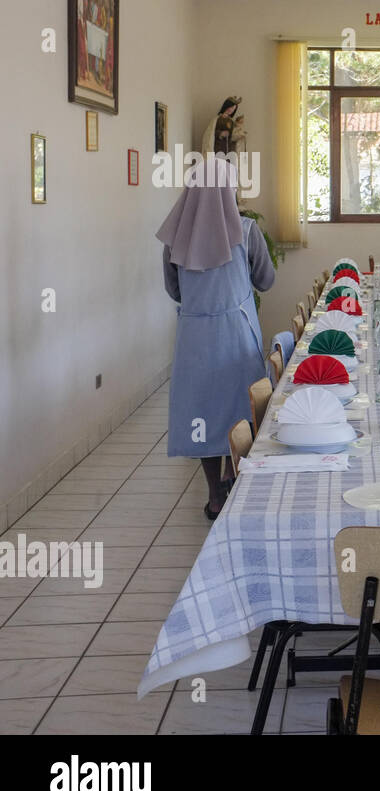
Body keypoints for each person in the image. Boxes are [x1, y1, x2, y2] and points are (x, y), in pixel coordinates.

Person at [157, 156, 275, 519]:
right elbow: (266, 280)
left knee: (202, 413)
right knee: (239, 409)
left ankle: (214, 494)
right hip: (236, 334)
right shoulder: (247, 231)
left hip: (195, 338)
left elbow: (173, 290)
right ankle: (231, 478)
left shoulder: (174, 238)